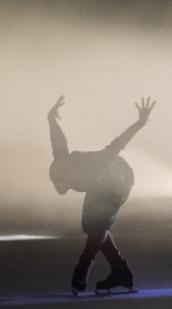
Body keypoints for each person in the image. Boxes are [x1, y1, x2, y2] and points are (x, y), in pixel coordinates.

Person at [47, 95, 154, 295]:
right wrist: (51, 119)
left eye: (63, 181)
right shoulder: (62, 160)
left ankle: (81, 273)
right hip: (98, 188)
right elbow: (57, 138)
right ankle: (122, 272)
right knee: (90, 225)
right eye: (60, 184)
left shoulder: (96, 164)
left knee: (97, 226)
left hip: (119, 181)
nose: (63, 186)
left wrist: (140, 122)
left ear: (70, 171)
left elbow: (118, 144)